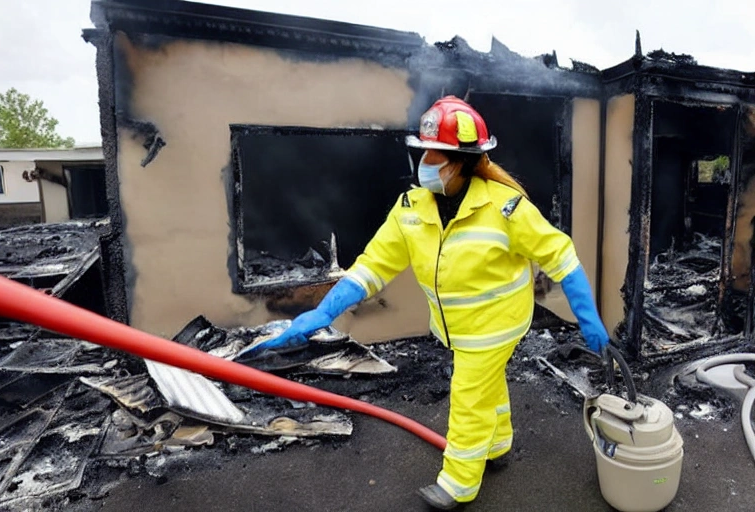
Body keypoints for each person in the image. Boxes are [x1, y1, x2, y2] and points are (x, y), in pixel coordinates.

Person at [254, 96, 610, 509]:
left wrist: (589, 319)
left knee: (468, 396)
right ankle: (498, 445)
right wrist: (324, 310)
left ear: (464, 161)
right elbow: (373, 266)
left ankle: (459, 483)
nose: (425, 162)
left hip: (495, 325)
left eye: (435, 155)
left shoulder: (506, 208)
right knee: (486, 385)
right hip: (457, 327)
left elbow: (561, 257)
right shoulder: (411, 209)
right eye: (422, 152)